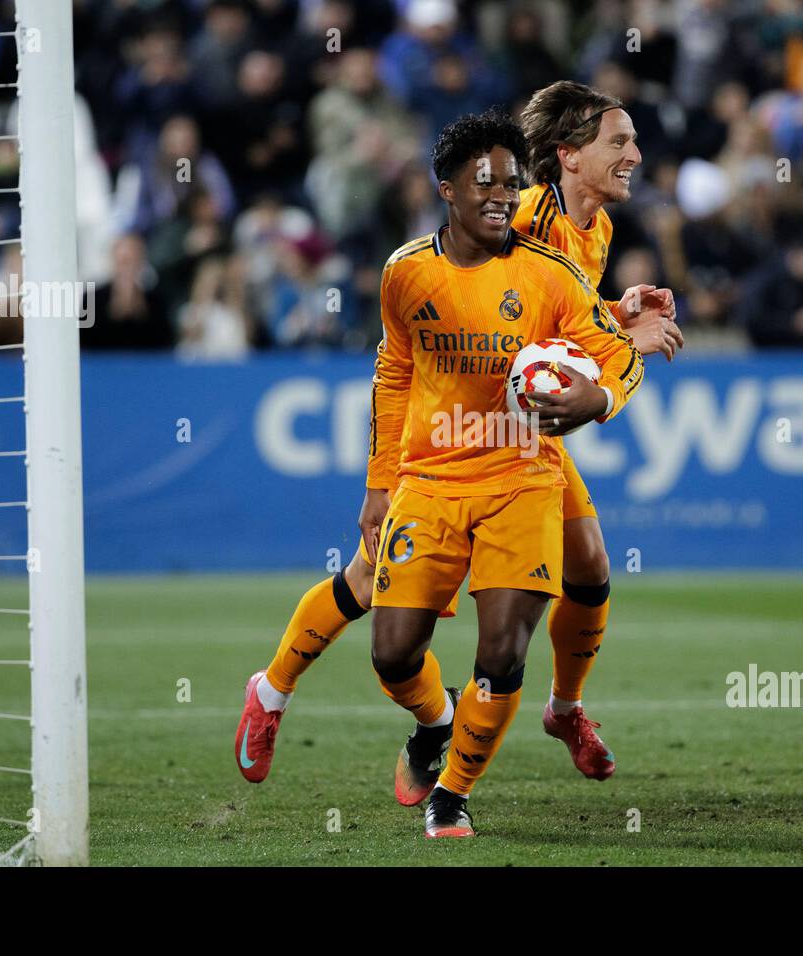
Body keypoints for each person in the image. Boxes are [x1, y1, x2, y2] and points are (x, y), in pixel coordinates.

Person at [233, 83, 680, 790]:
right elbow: (486, 303)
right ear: (568, 156)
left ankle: (565, 709)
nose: (635, 155)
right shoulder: (527, 213)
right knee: (370, 584)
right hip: (450, 432)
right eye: (618, 143)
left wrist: (612, 317)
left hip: (516, 438)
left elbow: (545, 320)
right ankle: (273, 690)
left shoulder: (593, 231)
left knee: (589, 565)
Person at [366, 110, 643, 836]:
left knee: (504, 647)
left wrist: (600, 395)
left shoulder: (549, 273)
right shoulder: (405, 273)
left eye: (510, 184)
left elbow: (616, 353)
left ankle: (451, 795)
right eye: (484, 182)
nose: (500, 196)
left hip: (523, 476)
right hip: (429, 483)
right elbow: (394, 371)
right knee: (393, 656)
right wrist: (379, 483)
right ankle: (437, 719)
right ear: (447, 189)